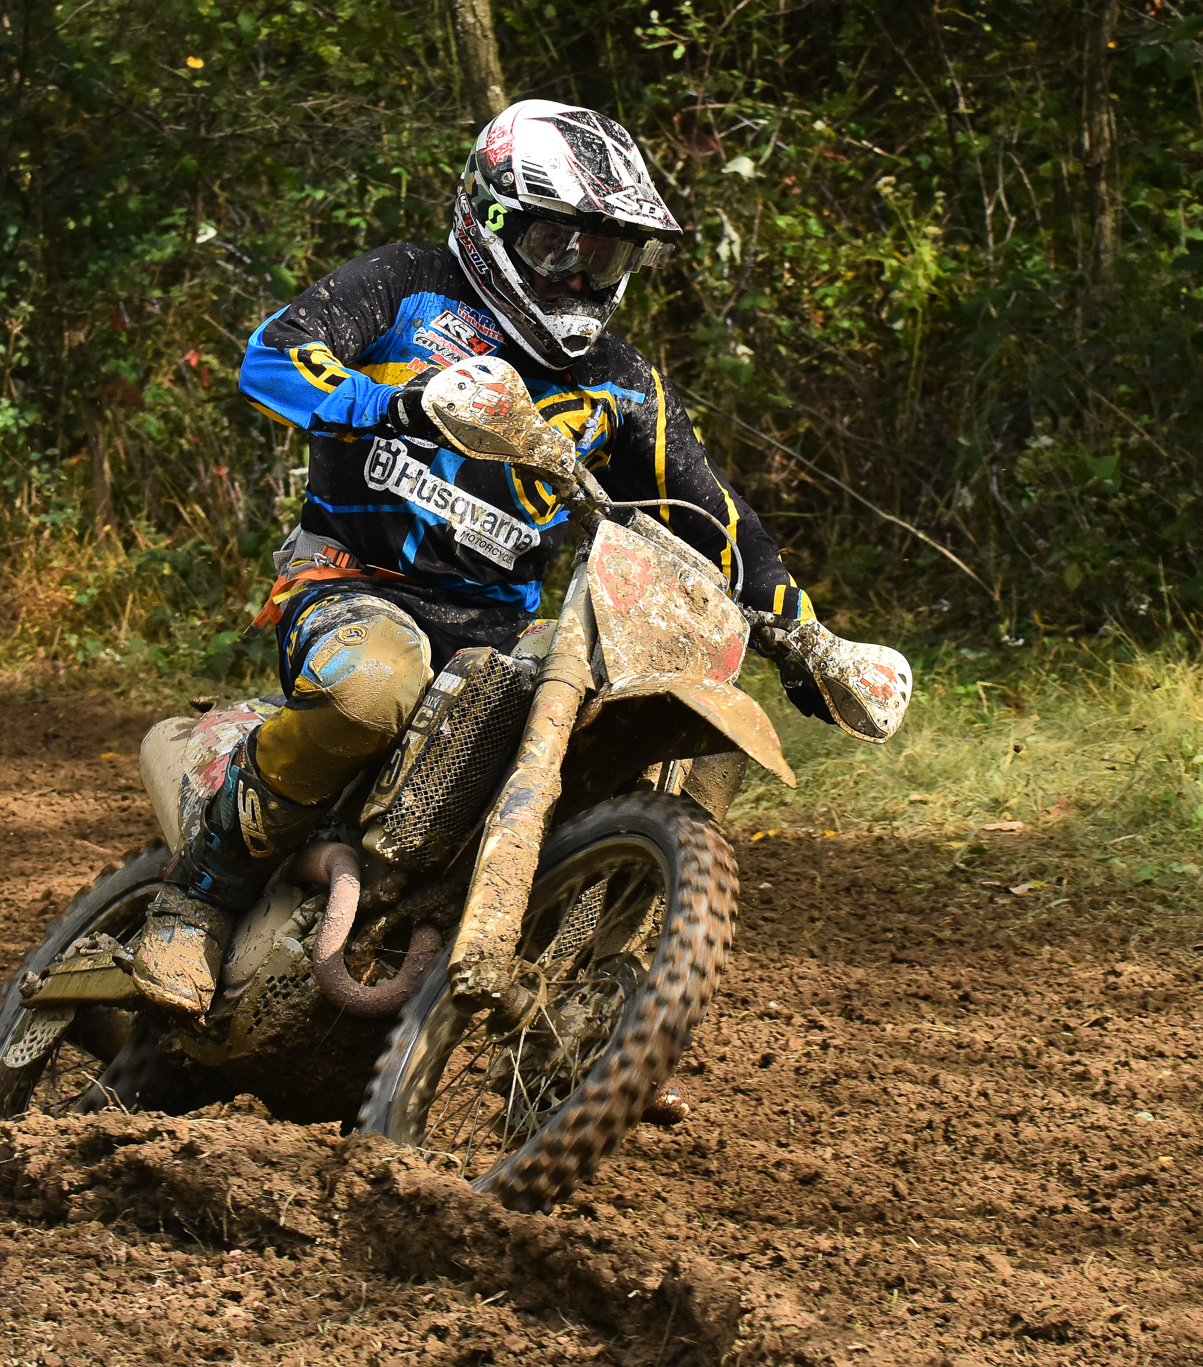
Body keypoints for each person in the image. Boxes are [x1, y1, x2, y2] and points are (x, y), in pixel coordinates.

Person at [132, 100, 837, 1017]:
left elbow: (715, 512)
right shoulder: (408, 284)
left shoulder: (618, 382)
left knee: (666, 722)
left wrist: (810, 637)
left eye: (608, 253)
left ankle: (598, 1016)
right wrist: (404, 401)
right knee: (372, 689)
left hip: (495, 630)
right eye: (560, 243)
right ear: (492, 218)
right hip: (350, 582)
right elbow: (271, 358)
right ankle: (196, 898)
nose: (582, 274)